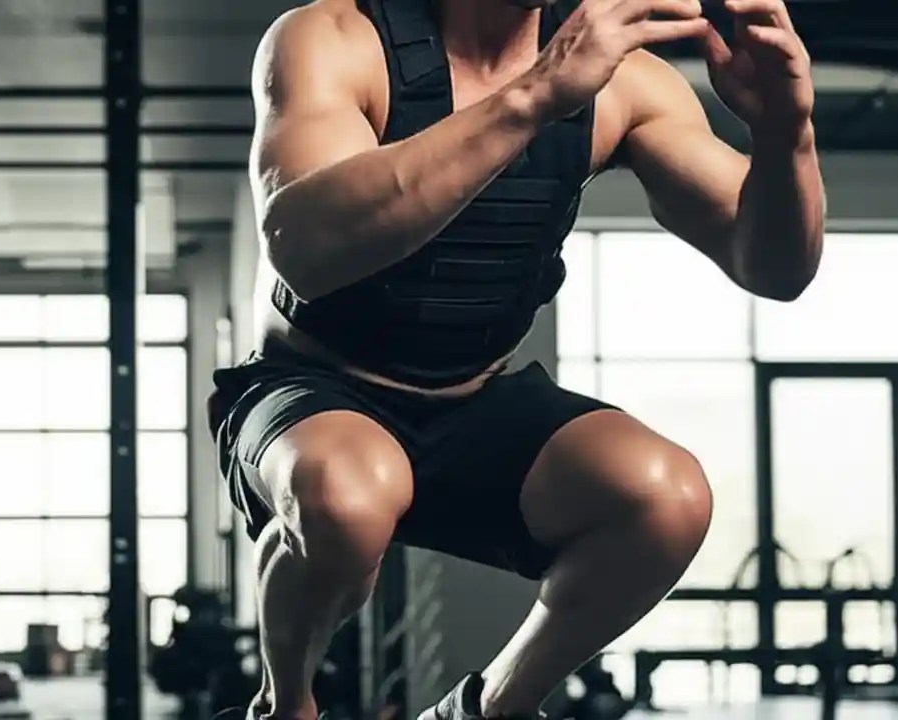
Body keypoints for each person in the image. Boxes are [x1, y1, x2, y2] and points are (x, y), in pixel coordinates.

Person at [207, 0, 824, 717]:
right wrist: (536, 94)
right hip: (312, 388)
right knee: (349, 494)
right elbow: (306, 251)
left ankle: (491, 708)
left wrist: (787, 135)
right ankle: (287, 704)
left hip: (469, 400)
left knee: (665, 498)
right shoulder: (335, 38)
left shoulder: (628, 84)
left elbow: (775, 270)